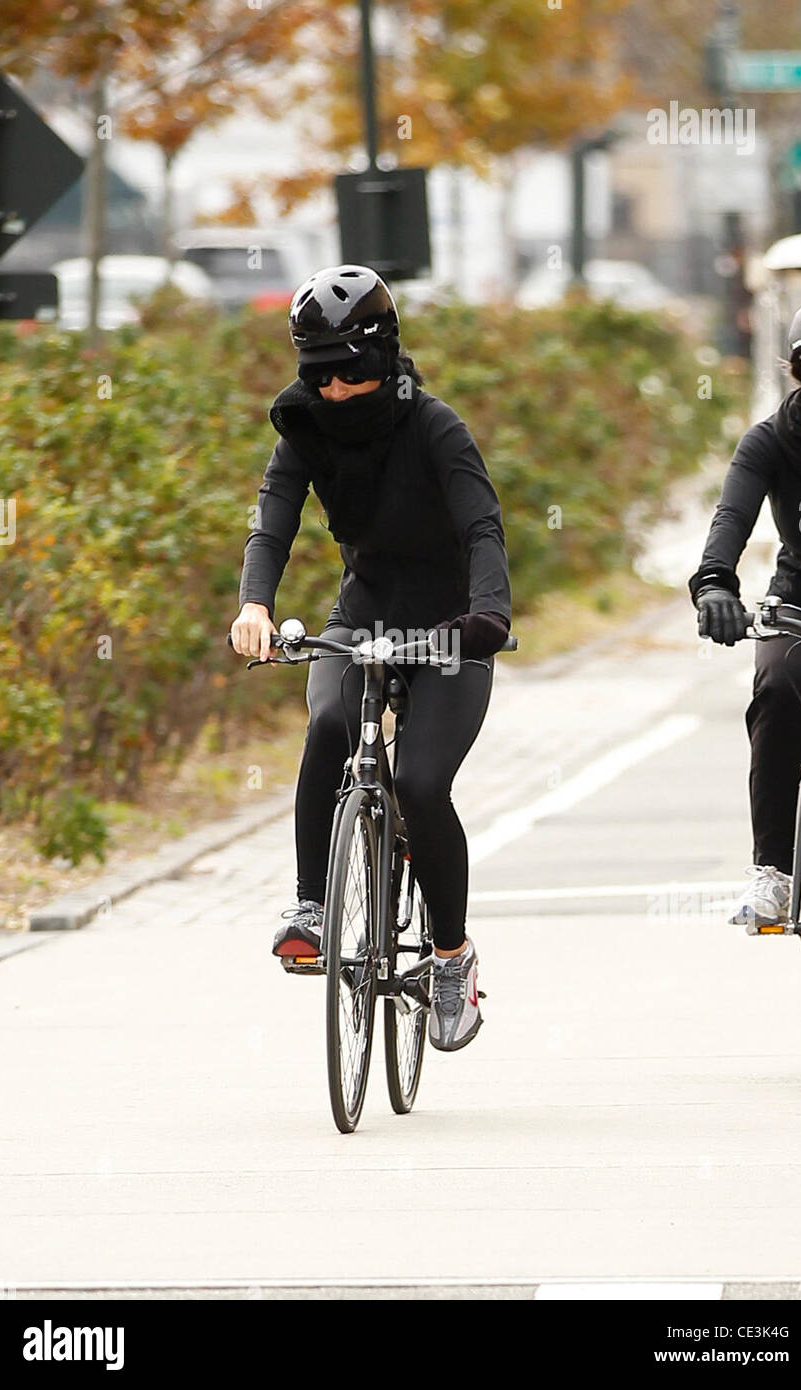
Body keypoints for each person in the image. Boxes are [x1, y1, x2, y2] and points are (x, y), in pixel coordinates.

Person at [230, 264, 512, 1050]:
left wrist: (488, 613)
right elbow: (273, 520)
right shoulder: (304, 426)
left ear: (385, 359)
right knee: (326, 722)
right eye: (323, 376)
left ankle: (451, 958)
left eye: (354, 374)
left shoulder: (435, 426)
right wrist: (256, 603)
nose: (340, 392)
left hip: (454, 627)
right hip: (364, 614)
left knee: (422, 782)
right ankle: (311, 906)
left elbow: (483, 528)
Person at [690, 293, 801, 928]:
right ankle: (774, 873)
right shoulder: (770, 441)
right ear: (800, 370)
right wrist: (715, 585)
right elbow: (731, 517)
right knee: (778, 690)